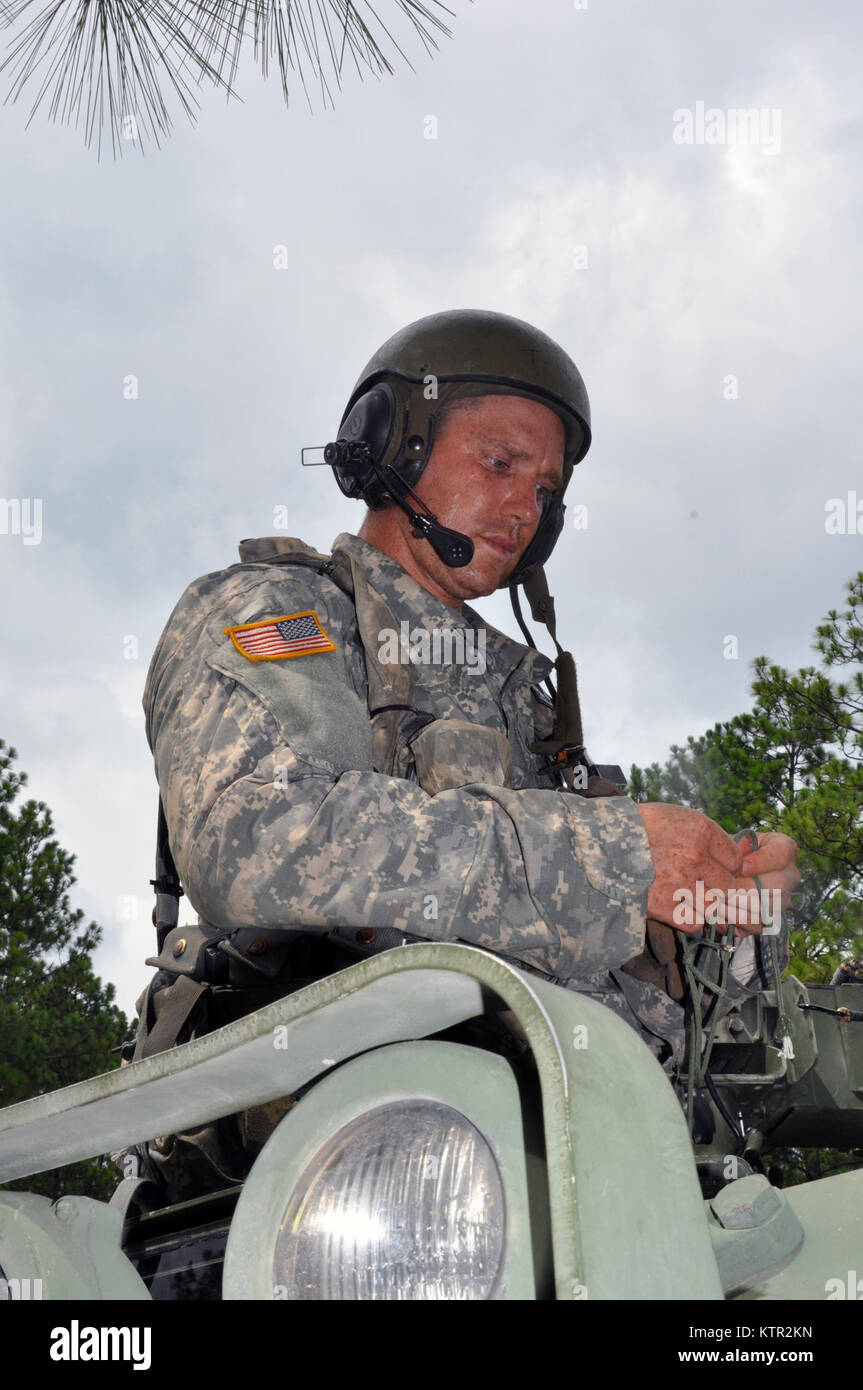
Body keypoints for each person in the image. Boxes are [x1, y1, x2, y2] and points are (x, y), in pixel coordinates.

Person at [129, 309, 800, 1199]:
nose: (525, 507)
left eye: (547, 491)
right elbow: (258, 840)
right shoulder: (275, 611)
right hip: (323, 1175)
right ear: (392, 447)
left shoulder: (528, 708)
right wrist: (618, 859)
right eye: (500, 464)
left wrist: (723, 913)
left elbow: (635, 994)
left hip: (581, 1174)